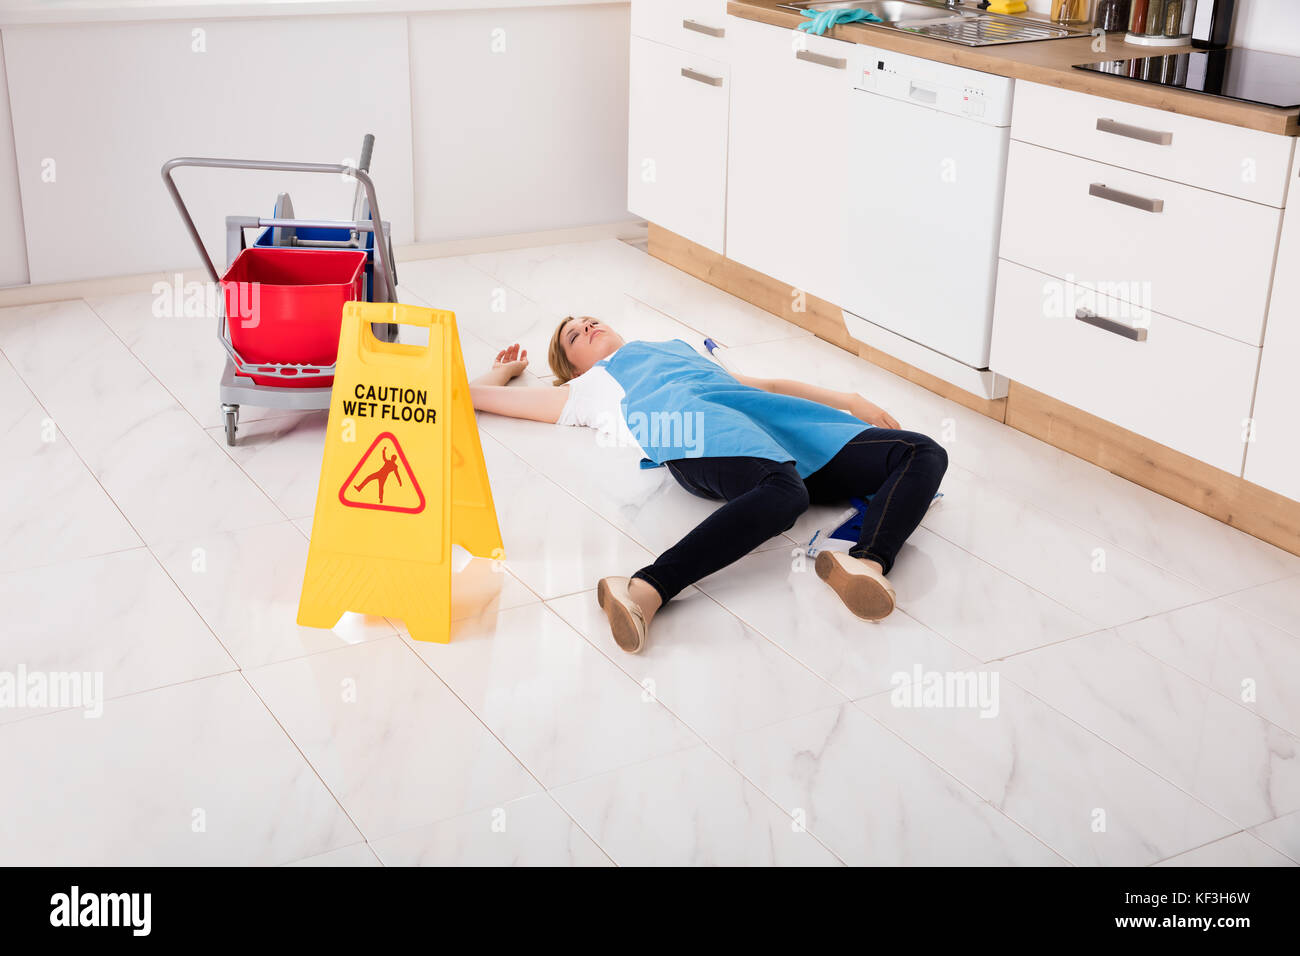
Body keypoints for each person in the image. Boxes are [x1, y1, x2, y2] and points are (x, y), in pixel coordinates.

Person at [468, 315, 948, 654]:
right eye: (574, 334)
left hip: (768, 420)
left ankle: (865, 563)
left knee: (921, 451)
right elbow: (470, 397)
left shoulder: (678, 347)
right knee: (786, 495)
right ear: (573, 367)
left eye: (590, 320)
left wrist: (848, 399)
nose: (587, 326)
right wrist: (506, 372)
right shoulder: (588, 388)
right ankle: (646, 589)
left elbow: (766, 386)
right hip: (694, 428)